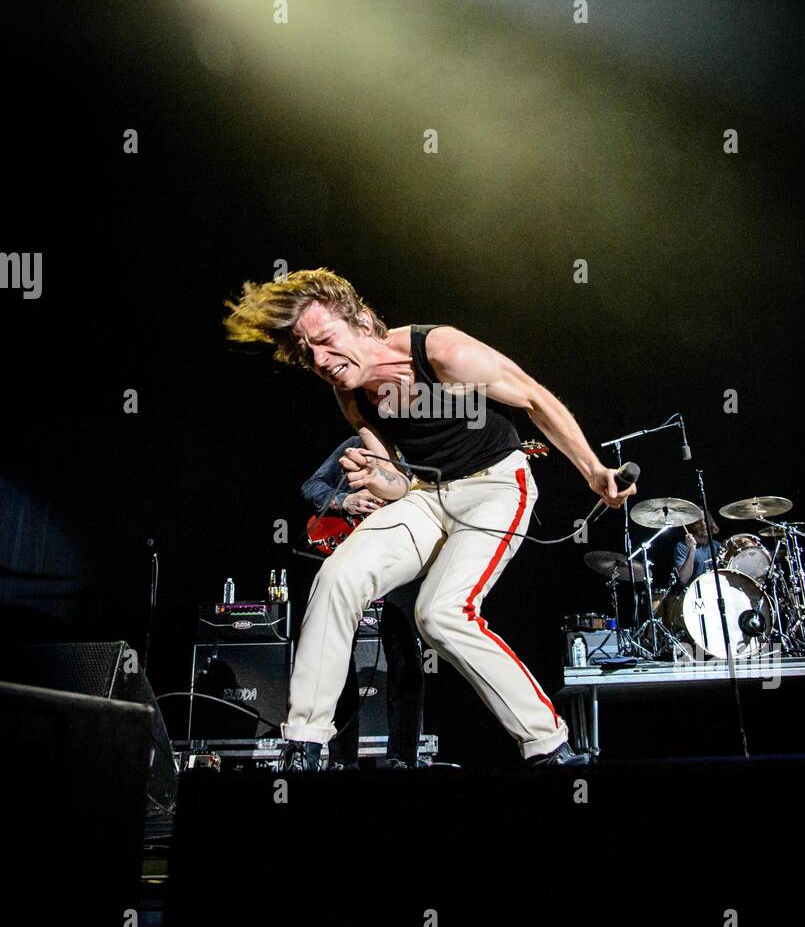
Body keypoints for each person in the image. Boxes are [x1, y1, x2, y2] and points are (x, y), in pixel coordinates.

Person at [224, 268, 634, 771]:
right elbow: (397, 479)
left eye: (327, 342)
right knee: (337, 577)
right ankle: (306, 744)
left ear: (360, 321)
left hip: (495, 486)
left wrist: (593, 470)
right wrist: (379, 480)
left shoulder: (437, 349)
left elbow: (533, 396)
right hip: (426, 496)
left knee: (440, 614)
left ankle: (548, 745)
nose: (323, 362)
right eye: (309, 355)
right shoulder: (349, 392)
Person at [301, 437, 425, 770]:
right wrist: (346, 500)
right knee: (337, 654)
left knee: (406, 656)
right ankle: (342, 759)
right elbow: (311, 486)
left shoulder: (420, 447)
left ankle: (403, 757)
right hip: (354, 548)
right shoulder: (358, 442)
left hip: (402, 554)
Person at [673, 514, 721, 586]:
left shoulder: (717, 546)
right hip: (693, 593)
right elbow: (683, 579)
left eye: (705, 520)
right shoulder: (682, 547)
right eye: (698, 522)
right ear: (691, 525)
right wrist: (692, 550)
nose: (703, 524)